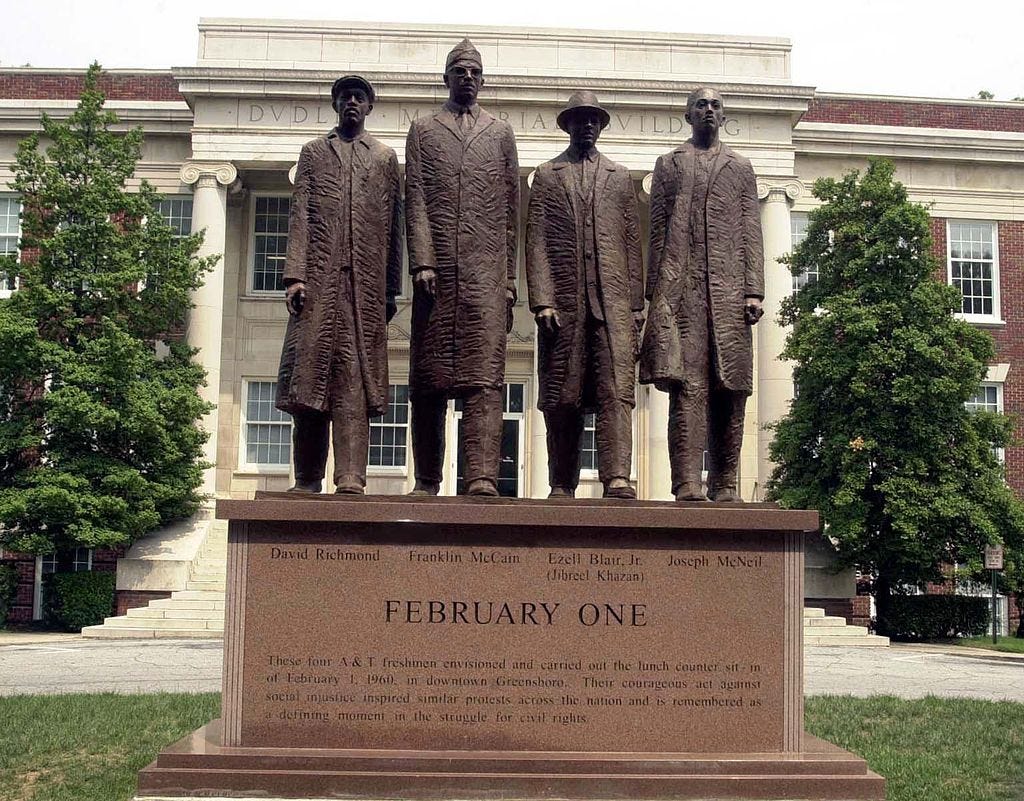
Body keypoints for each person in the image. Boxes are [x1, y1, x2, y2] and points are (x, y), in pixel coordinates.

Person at [275, 75, 402, 494]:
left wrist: (388, 292)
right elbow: (300, 216)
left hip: (362, 295)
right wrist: (295, 276)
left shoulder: (384, 158)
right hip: (317, 288)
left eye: (359, 97)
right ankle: (308, 478)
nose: (351, 102)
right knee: (309, 383)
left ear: (369, 106)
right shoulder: (313, 154)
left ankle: (351, 477)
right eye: (345, 96)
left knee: (353, 381)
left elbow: (393, 230)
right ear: (335, 104)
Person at [404, 39, 520, 497]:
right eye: (459, 70)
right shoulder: (423, 129)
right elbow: (415, 200)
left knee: (485, 380)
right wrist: (422, 261)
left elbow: (511, 210)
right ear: (446, 78)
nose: (467, 77)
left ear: (483, 80)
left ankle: (482, 477)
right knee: (427, 383)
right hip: (436, 277)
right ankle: (427, 478)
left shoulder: (500, 132)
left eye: (474, 71)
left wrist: (509, 280)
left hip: (485, 276)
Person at [640, 87, 764, 502]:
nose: (708, 111)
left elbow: (751, 229)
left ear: (723, 116)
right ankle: (687, 483)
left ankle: (726, 482)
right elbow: (656, 232)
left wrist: (753, 290)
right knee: (687, 390)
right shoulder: (669, 165)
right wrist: (653, 298)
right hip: (682, 296)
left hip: (730, 296)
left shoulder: (740, 167)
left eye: (715, 106)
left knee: (732, 390)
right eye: (700, 105)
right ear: (687, 114)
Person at [526, 90, 643, 499]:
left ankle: (616, 477)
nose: (587, 126)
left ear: (601, 125)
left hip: (612, 308)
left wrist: (634, 305)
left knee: (616, 393)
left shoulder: (619, 177)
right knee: (562, 398)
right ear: (568, 125)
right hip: (564, 307)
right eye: (579, 119)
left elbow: (631, 243)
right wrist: (542, 298)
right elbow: (536, 239)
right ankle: (561, 481)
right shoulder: (547, 175)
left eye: (593, 119)